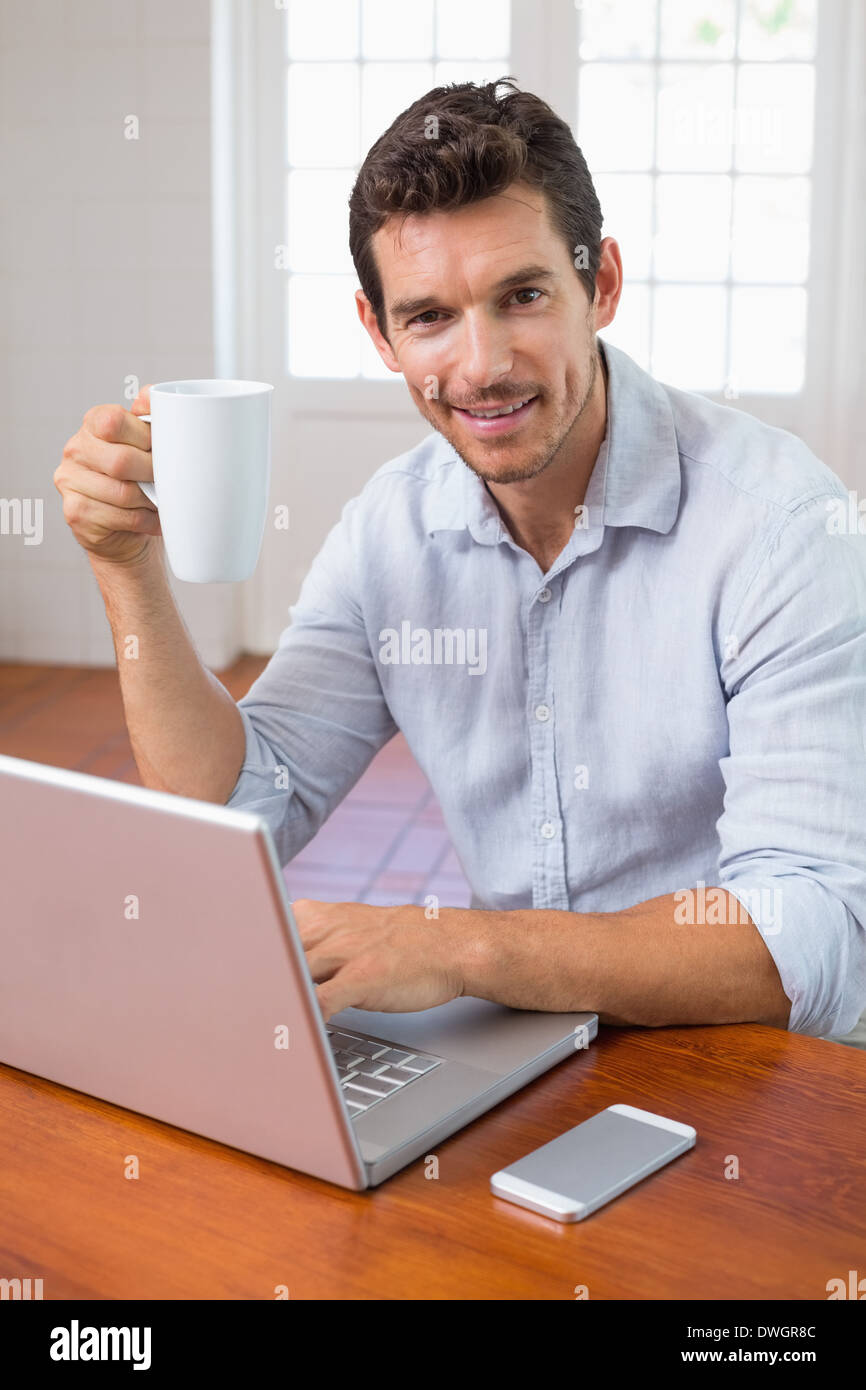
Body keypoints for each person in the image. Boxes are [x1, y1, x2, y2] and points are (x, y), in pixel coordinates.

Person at [55, 79, 866, 1043]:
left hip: (748, 1069)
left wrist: (463, 950)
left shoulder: (782, 528)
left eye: (521, 296)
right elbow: (238, 807)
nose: (481, 366)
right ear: (379, 332)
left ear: (599, 284)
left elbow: (818, 929)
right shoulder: (389, 533)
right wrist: (125, 571)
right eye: (430, 316)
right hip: (525, 1054)